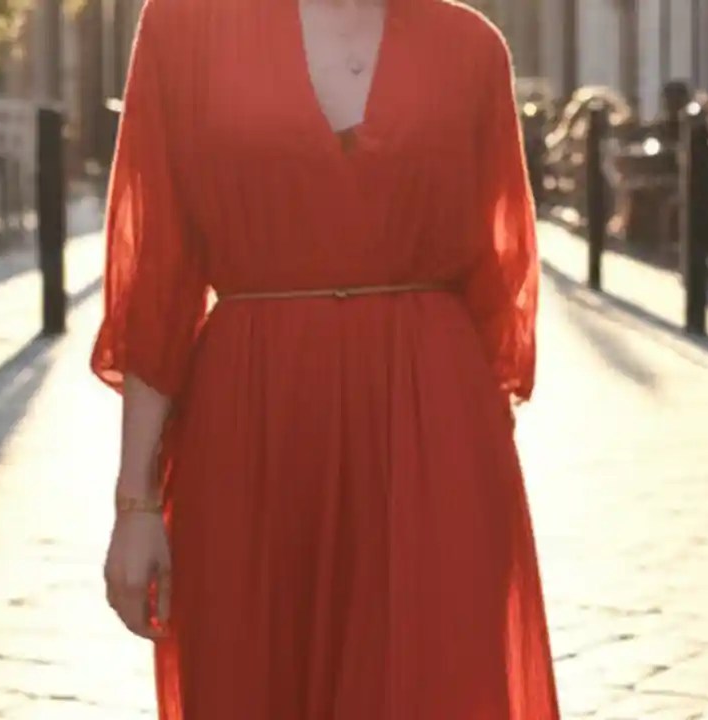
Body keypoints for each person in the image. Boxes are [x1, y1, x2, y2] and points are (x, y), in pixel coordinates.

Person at [95, 0, 560, 718]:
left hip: (432, 430)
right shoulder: (186, 26)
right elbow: (156, 280)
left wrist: (470, 480)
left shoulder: (472, 49)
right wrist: (136, 503)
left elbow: (499, 282)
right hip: (251, 426)